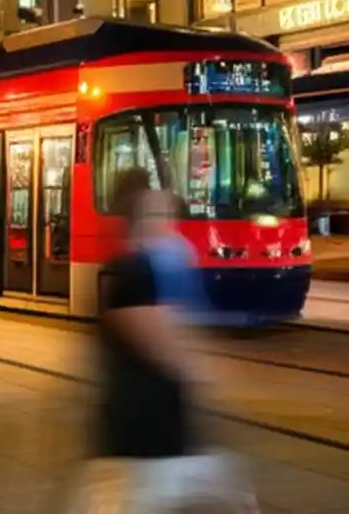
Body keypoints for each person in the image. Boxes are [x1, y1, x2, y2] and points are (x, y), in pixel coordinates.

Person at [93, 172, 256, 512]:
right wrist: (197, 371)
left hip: (153, 412)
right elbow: (153, 336)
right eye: (159, 215)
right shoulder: (130, 270)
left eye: (169, 214)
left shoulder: (152, 264)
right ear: (138, 221)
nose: (169, 223)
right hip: (144, 416)